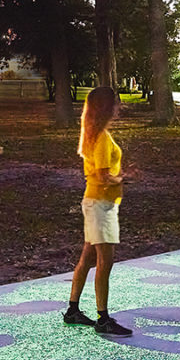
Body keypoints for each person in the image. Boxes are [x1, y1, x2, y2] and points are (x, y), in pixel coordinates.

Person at [64, 86, 132, 336]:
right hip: (101, 205)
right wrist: (124, 178)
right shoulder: (101, 136)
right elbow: (103, 176)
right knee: (105, 262)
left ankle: (73, 310)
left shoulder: (93, 133)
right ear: (107, 107)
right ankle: (103, 318)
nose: (119, 107)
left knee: (88, 258)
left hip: (94, 202)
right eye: (116, 103)